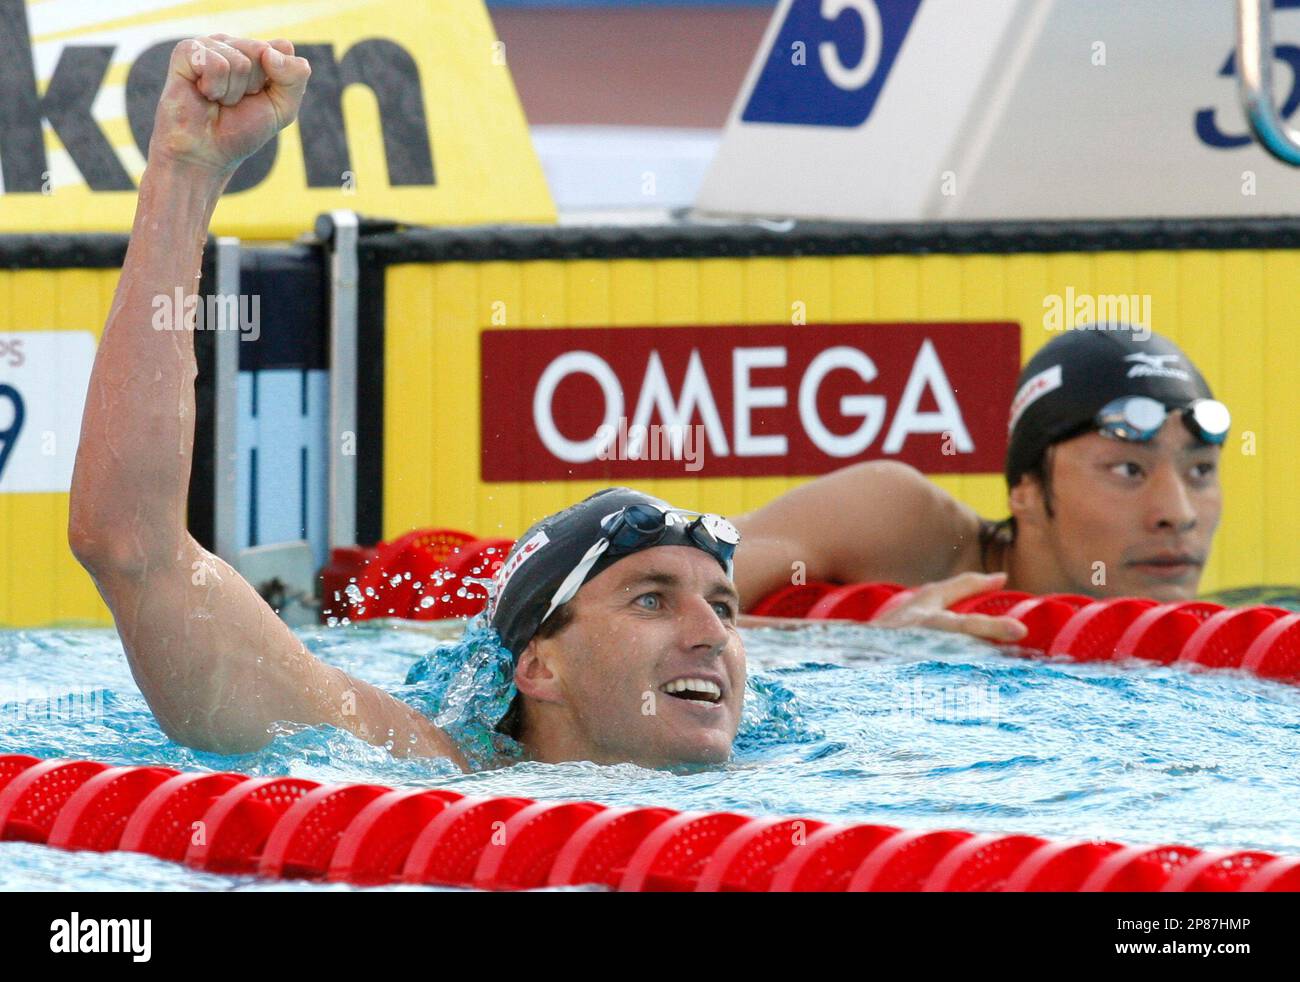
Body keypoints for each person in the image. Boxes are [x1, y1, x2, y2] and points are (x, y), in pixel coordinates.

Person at [67, 34, 753, 771]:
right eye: (650, 600)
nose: (710, 634)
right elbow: (131, 545)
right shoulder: (419, 770)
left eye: (722, 606)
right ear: (538, 667)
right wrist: (185, 174)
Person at [732, 326, 1229, 627]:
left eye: (1200, 471)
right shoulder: (901, 521)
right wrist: (863, 647)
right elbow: (665, 596)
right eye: (1128, 469)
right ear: (1027, 491)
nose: (1178, 515)